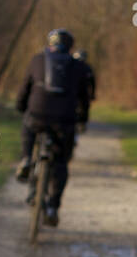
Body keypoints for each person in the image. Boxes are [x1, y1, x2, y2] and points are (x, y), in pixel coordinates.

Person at [15, 29, 91, 224]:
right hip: (64, 120)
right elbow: (85, 98)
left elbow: (25, 87)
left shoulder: (37, 60)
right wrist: (82, 119)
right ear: (70, 46)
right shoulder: (79, 66)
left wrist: (21, 107)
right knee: (61, 163)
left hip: (37, 115)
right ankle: (52, 207)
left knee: (29, 128)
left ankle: (25, 160)